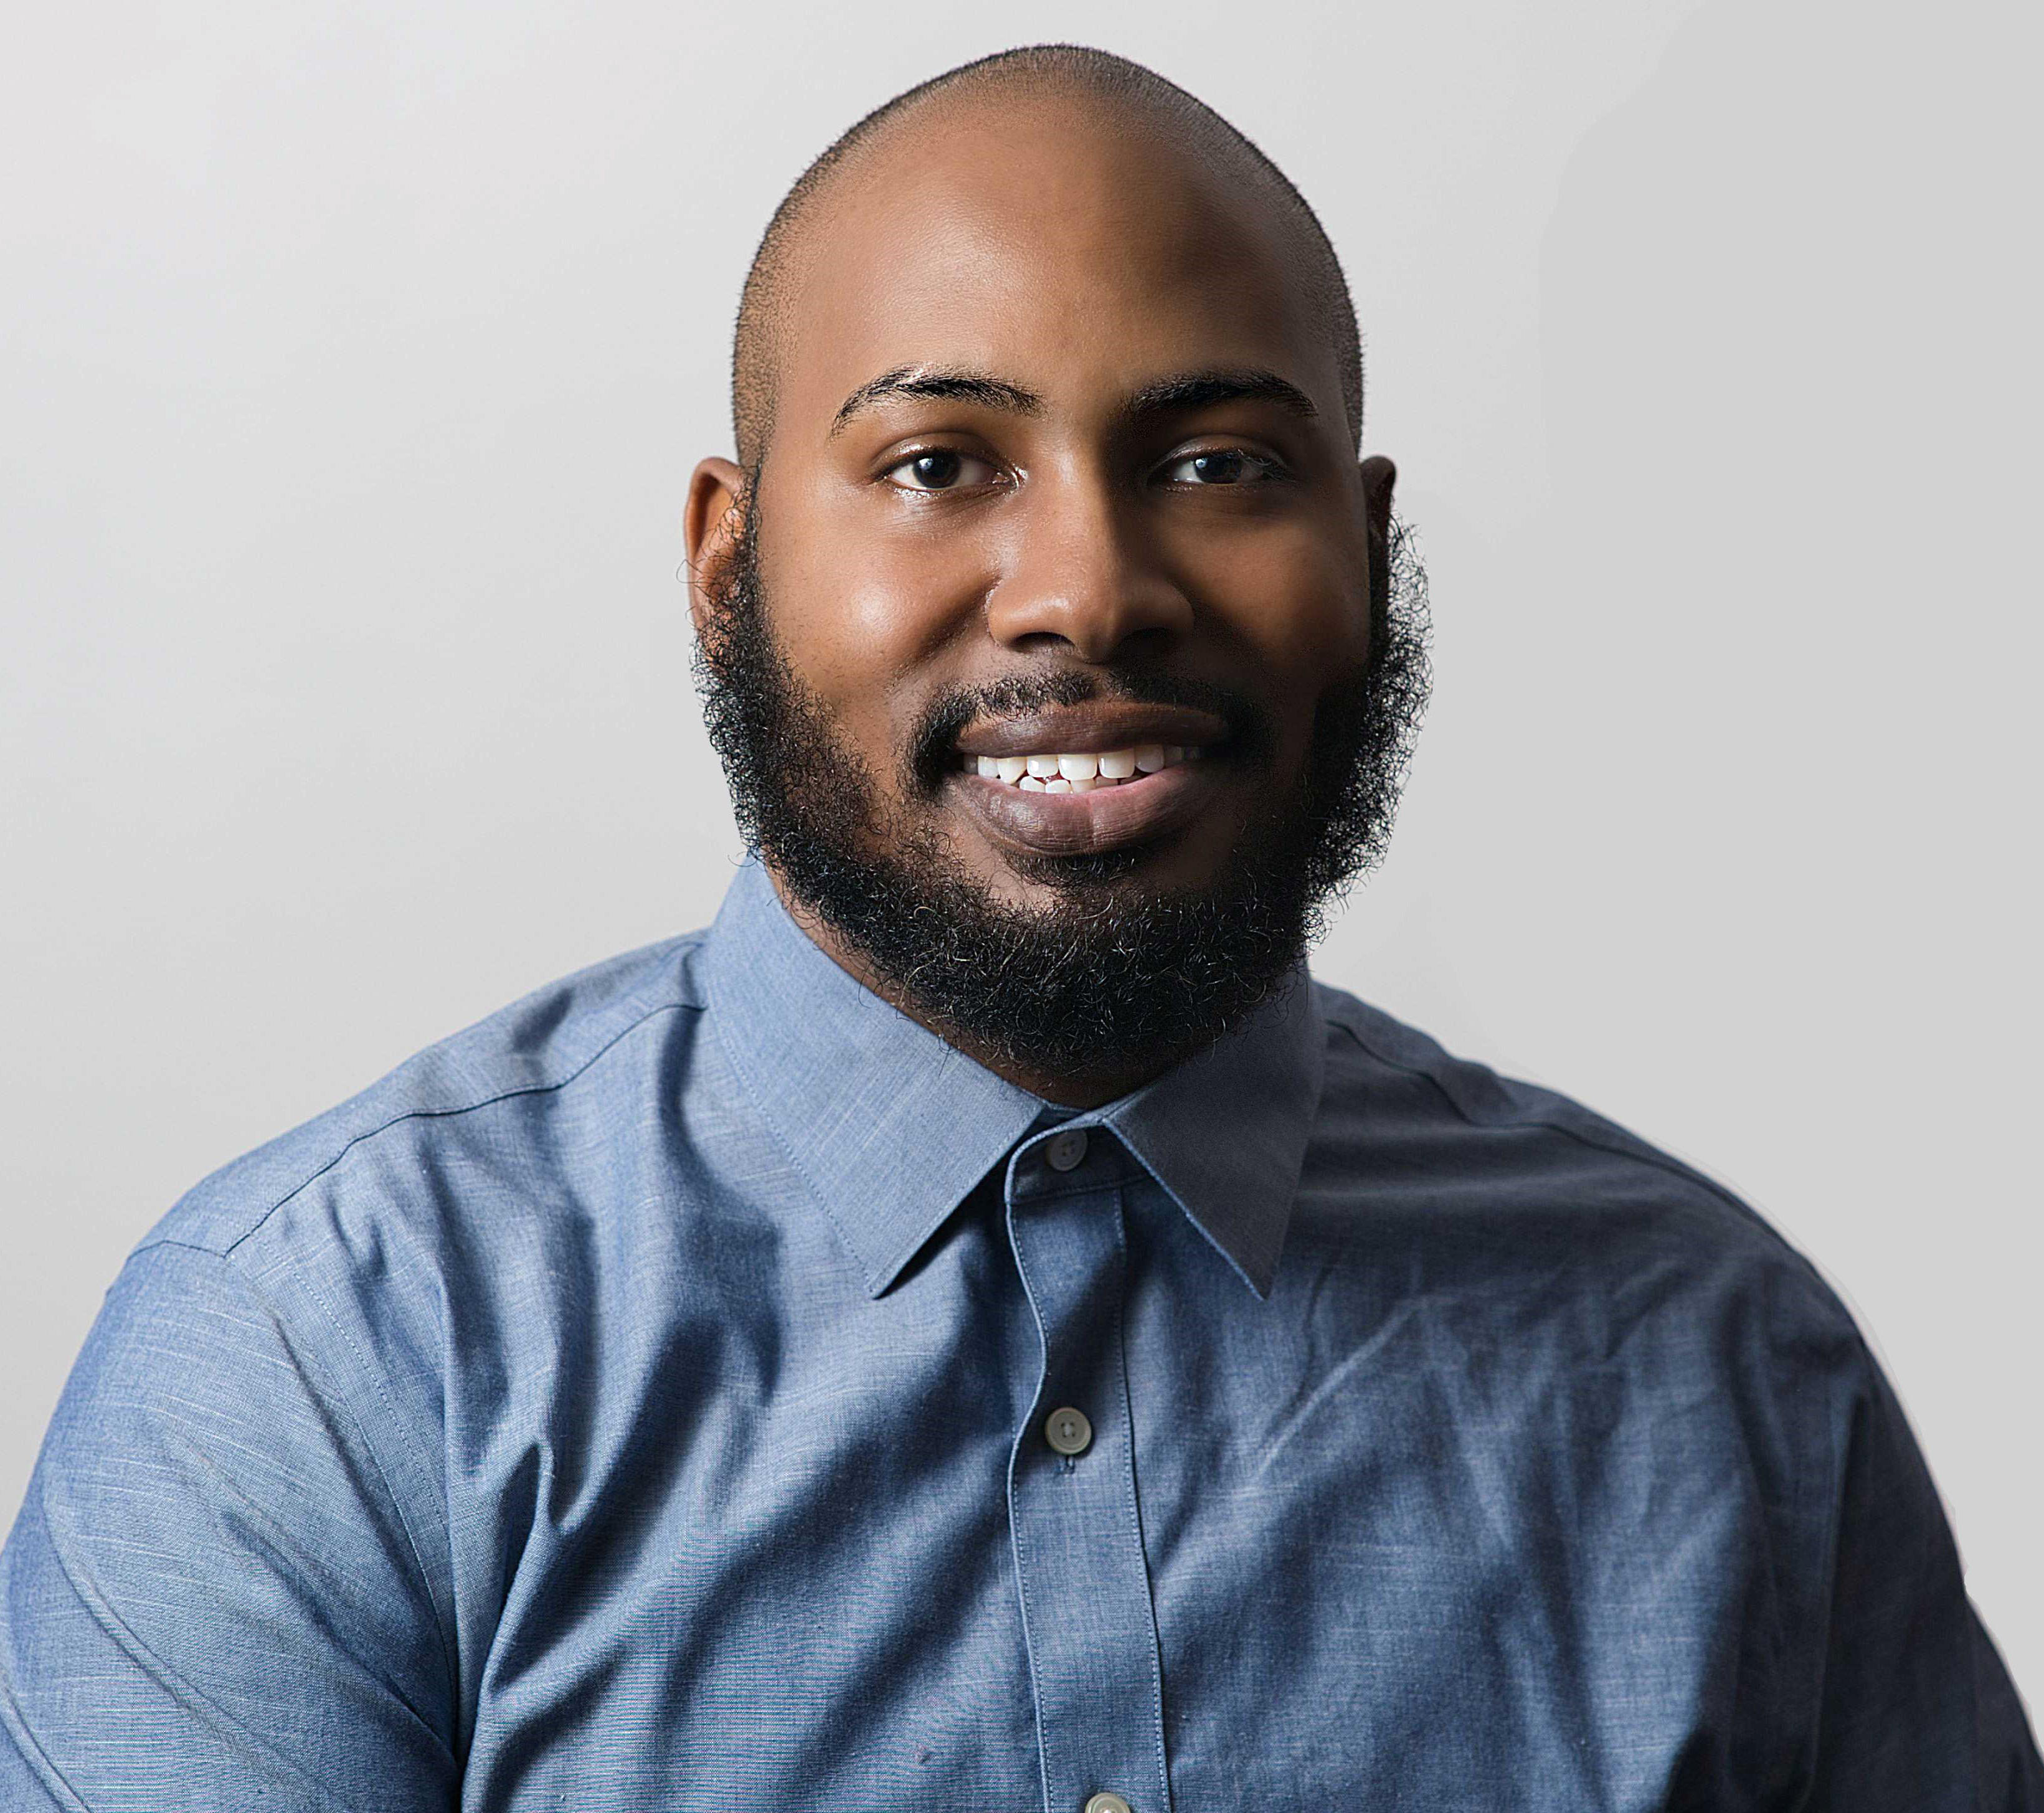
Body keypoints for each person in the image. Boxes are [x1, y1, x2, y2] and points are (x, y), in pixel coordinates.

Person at [1, 41, 2035, 1812]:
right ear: (725, 566)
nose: (1085, 588)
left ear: (1363, 546)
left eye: (1217, 461)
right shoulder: (321, 1360)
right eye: (935, 462)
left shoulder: (1718, 1365)